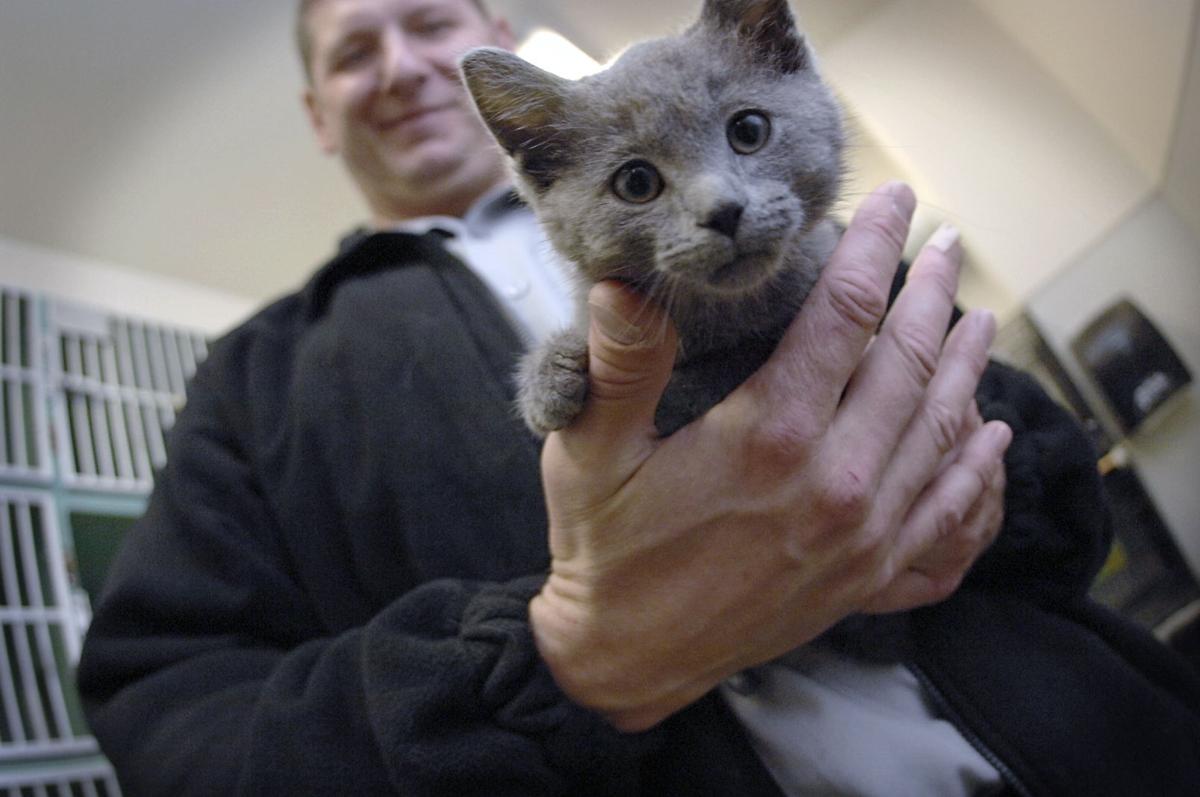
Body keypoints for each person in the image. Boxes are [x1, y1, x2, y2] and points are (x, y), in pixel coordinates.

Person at [77, 0, 1200, 794]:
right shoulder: (257, 375)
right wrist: (561, 660)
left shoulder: (794, 241)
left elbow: (1046, 466)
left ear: (500, 44)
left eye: (429, 21)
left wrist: (982, 486)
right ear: (320, 112)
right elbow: (170, 713)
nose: (403, 62)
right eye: (354, 49)